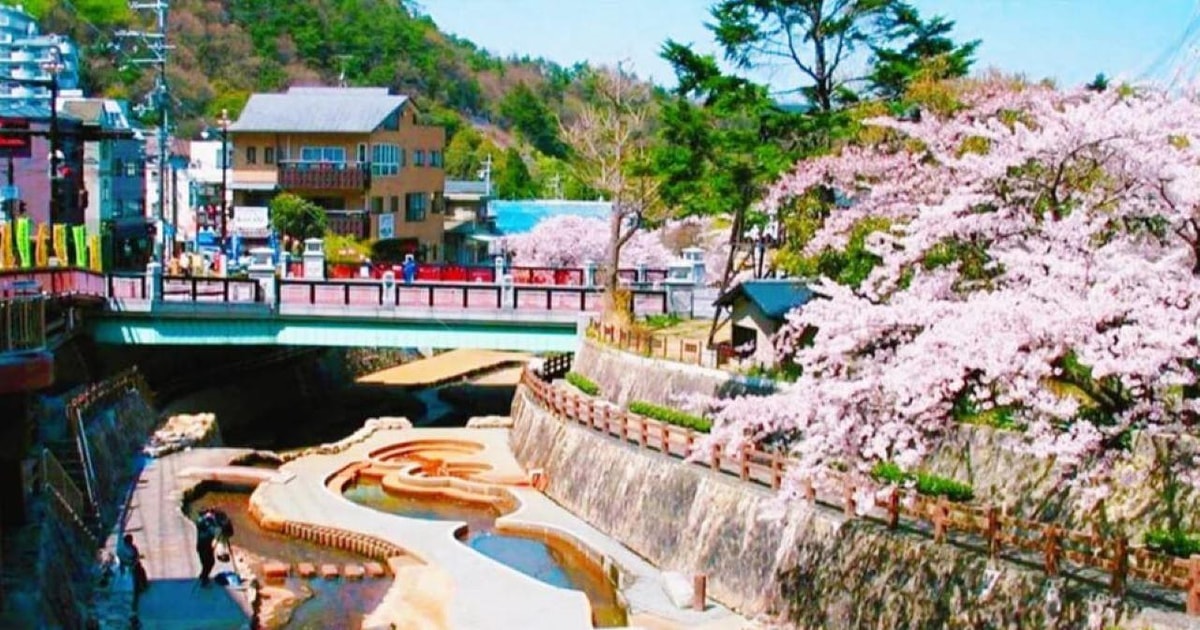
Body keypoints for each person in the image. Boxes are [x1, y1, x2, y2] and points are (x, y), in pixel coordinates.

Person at [195, 510, 218, 587]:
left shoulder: (211, 523)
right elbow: (199, 523)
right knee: (207, 564)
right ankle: (204, 580)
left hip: (207, 546)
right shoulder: (202, 522)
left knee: (210, 562)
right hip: (203, 547)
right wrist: (207, 518)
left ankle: (203, 576)